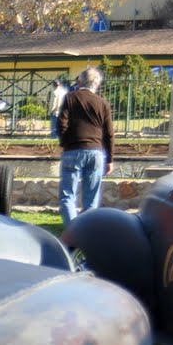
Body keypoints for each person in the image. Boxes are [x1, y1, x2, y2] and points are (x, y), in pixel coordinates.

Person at [58, 66, 114, 227]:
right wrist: (110, 159)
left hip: (73, 151)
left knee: (67, 195)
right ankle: (85, 232)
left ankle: (72, 230)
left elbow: (62, 124)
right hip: (96, 152)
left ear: (79, 81)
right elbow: (109, 133)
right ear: (97, 84)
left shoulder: (70, 98)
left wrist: (66, 142)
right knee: (91, 197)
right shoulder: (103, 103)